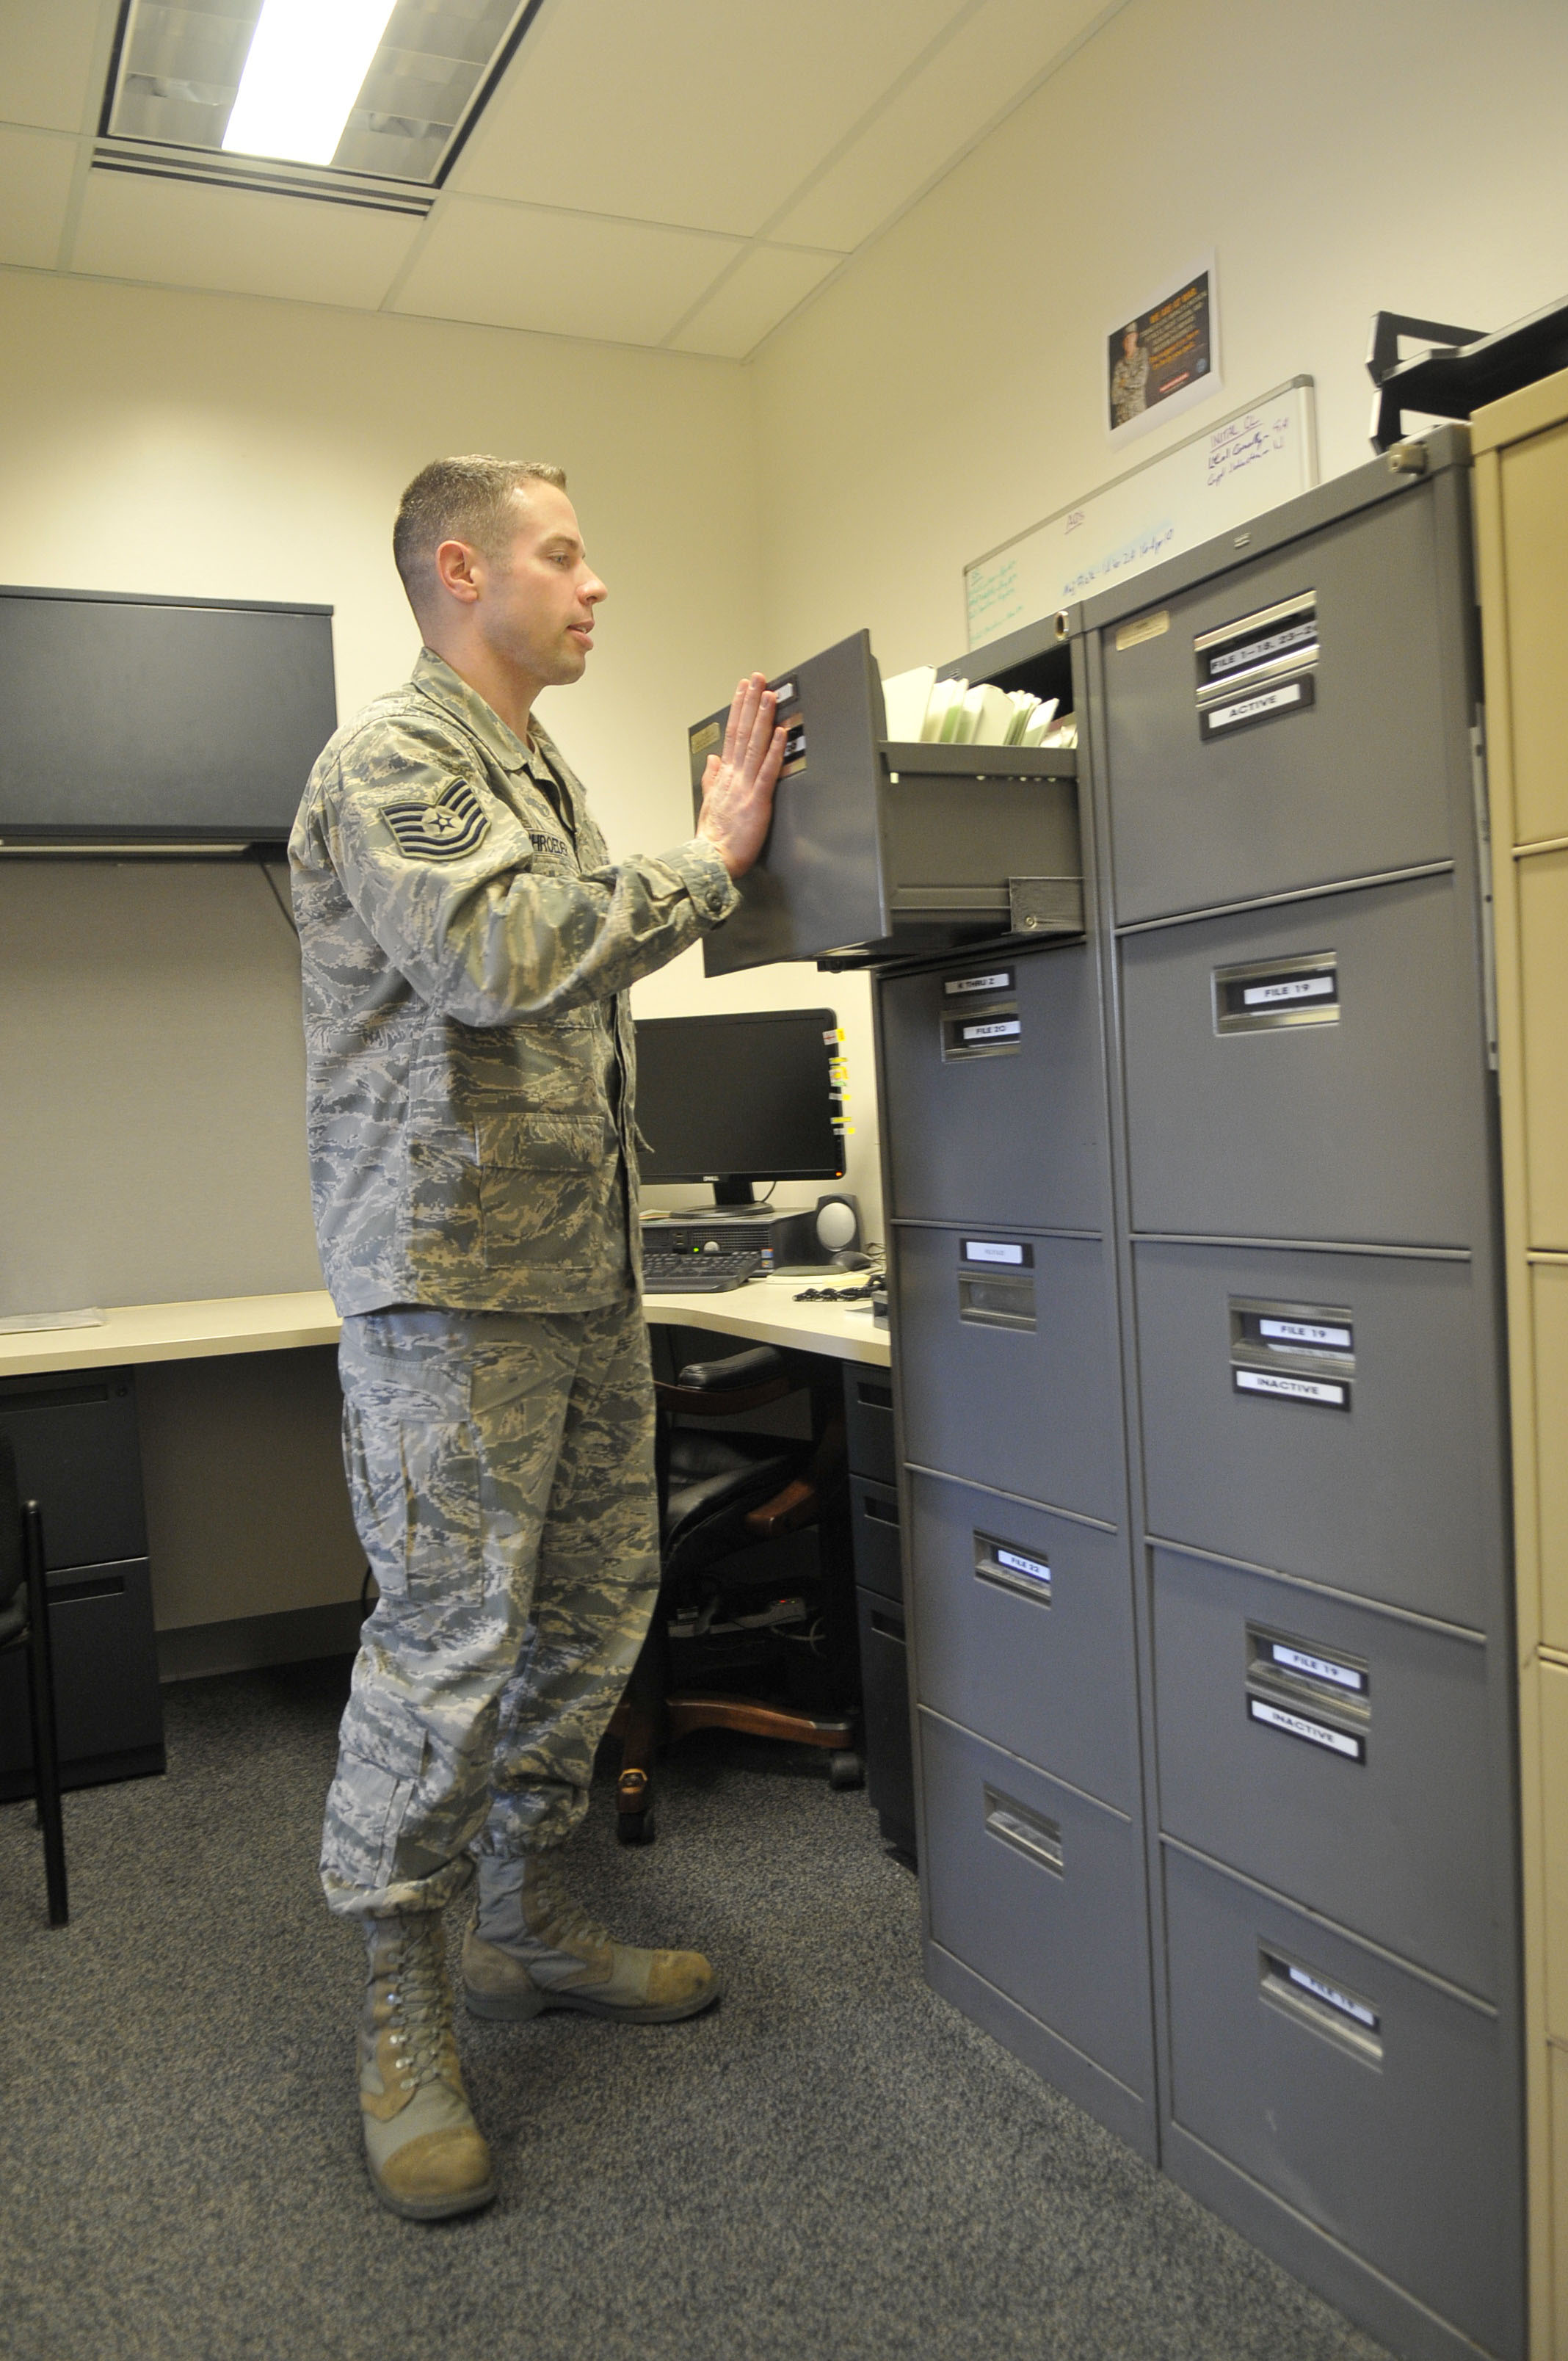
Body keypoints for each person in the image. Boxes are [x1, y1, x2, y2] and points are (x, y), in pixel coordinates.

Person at [288, 453, 784, 2222]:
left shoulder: (538, 774)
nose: (595, 585)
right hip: (444, 1283)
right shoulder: (393, 763)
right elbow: (500, 954)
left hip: (575, 1274)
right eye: (562, 554)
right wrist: (712, 863)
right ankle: (401, 1999)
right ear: (459, 567)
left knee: (588, 1616)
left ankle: (526, 1916)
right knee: (447, 1645)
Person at [1111, 322, 1149, 427]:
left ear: (1135, 337)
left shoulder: (1142, 354)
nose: (1128, 342)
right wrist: (1133, 392)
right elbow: (1115, 397)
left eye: (1130, 338)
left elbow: (1141, 380)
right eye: (1126, 339)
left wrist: (1125, 383)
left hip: (1138, 413)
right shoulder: (1119, 365)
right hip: (1122, 417)